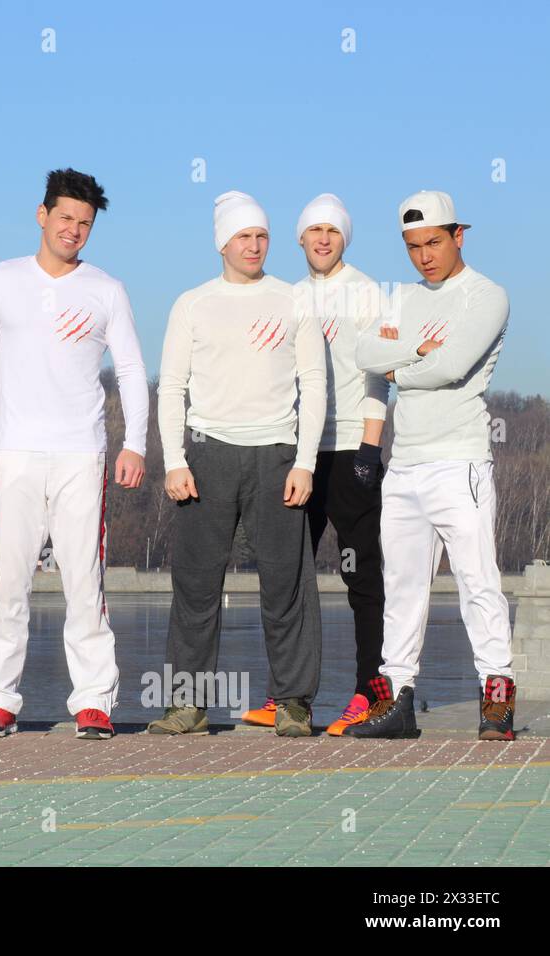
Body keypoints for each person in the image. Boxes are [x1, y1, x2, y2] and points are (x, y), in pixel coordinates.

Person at [0, 168, 150, 740]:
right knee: (7, 579)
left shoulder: (106, 290)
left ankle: (93, 701)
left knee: (84, 582)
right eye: (65, 218)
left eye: (84, 223)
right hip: (14, 451)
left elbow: (133, 368)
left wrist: (134, 442)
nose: (73, 230)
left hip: (80, 456)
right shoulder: (0, 280)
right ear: (42, 216)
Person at [150, 191, 326, 737]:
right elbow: (172, 386)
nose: (253, 246)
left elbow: (314, 383)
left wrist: (306, 462)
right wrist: (175, 460)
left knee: (286, 583)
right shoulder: (193, 304)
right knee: (197, 586)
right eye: (243, 237)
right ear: (222, 242)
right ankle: (189, 704)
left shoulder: (294, 299)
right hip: (207, 454)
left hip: (277, 454)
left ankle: (294, 702)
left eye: (262, 236)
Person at [349, 190, 515, 741]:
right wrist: (420, 351)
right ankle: (397, 702)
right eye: (413, 246)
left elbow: (453, 367)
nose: (424, 256)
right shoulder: (400, 299)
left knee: (478, 583)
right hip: (405, 466)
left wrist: (404, 362)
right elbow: (363, 355)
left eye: (434, 242)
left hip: (460, 461)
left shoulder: (487, 295)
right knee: (401, 588)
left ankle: (497, 699)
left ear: (458, 235)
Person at [241, 194, 389, 735]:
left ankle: (369, 693)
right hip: (299, 455)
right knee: (290, 575)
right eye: (313, 230)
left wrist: (371, 449)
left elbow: (379, 377)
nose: (323, 239)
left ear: (344, 238)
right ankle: (290, 694)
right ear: (299, 239)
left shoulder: (367, 292)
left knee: (360, 575)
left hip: (351, 449)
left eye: (332, 230)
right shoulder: (289, 296)